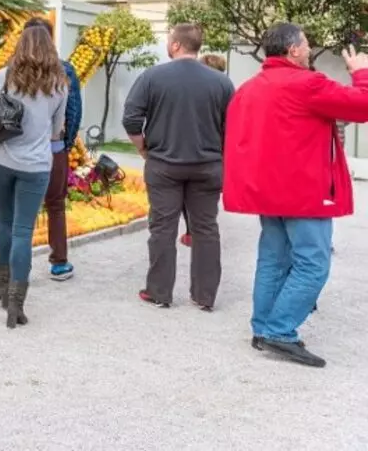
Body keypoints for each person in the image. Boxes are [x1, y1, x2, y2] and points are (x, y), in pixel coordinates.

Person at [224, 23, 368, 367]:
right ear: (293, 50)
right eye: (306, 44)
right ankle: (280, 331)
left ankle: (263, 329)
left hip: (270, 193)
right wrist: (361, 73)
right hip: (303, 193)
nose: (309, 49)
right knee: (313, 263)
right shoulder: (307, 84)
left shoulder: (250, 88)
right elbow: (362, 107)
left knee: (272, 260)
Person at [122, 24, 234, 310]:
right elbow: (232, 125)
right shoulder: (221, 82)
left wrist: (142, 147)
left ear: (175, 45)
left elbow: (131, 119)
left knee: (162, 227)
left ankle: (159, 292)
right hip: (208, 166)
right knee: (206, 229)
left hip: (163, 164)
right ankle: (205, 296)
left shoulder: (152, 77)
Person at [0, 23, 67, 329]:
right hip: (37, 166)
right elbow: (56, 131)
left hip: (1, 159)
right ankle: (17, 302)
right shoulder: (59, 83)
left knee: (3, 222)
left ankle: (2, 287)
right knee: (23, 231)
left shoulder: (6, 75)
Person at [23, 16, 82, 281]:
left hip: (20, 151)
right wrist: (64, 145)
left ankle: (17, 265)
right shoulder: (65, 70)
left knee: (20, 208)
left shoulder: (12, 70)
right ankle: (59, 262)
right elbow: (74, 112)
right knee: (55, 206)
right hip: (53, 148)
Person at [178, 53, 230, 248]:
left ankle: (192, 232)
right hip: (212, 154)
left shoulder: (189, 89)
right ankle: (202, 232)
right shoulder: (225, 88)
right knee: (207, 198)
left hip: (185, 149)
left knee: (185, 195)